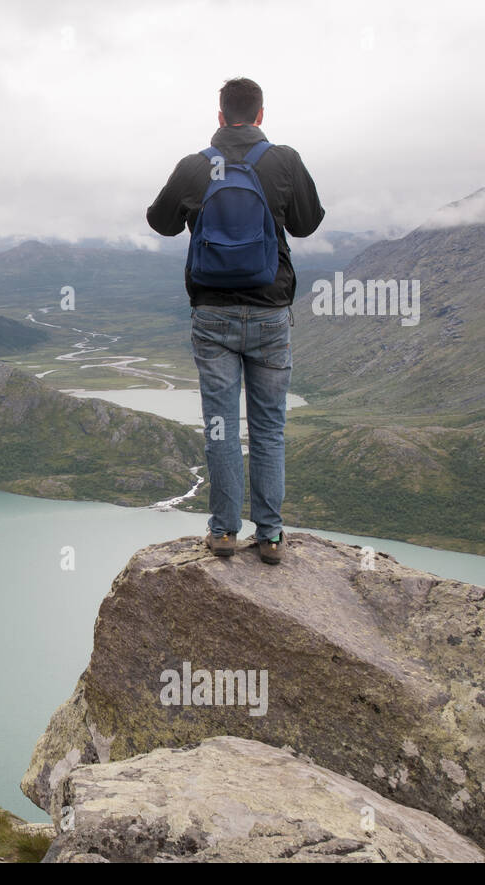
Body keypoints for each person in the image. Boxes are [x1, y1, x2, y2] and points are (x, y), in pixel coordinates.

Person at [146, 77, 324, 564]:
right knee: (268, 428)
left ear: (220, 116)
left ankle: (223, 532)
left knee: (221, 426)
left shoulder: (194, 166)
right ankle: (269, 535)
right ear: (261, 115)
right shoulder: (283, 160)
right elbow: (308, 223)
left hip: (212, 314)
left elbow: (159, 222)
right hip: (270, 313)